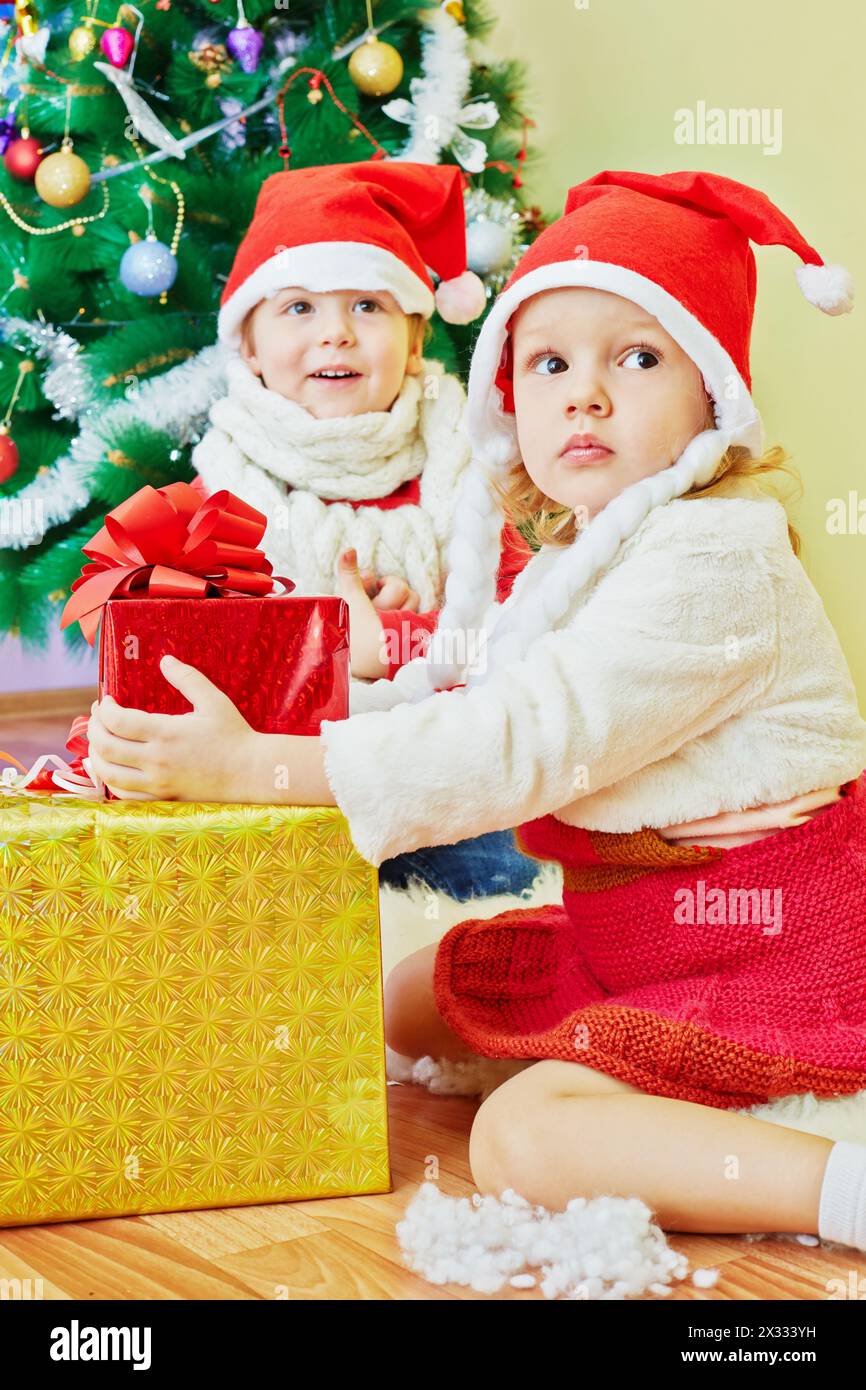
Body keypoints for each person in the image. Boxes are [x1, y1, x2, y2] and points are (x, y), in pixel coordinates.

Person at [87, 169, 866, 1251]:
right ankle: (611, 1059)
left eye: (634, 357)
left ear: (713, 395)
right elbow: (484, 681)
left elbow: (521, 738)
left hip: (763, 947)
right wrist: (374, 660)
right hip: (633, 933)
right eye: (549, 364)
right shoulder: (585, 547)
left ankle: (836, 1185)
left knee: (521, 1139)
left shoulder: (714, 555)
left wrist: (251, 766)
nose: (582, 395)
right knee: (408, 994)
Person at [192, 158, 540, 902]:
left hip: (439, 776)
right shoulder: (219, 490)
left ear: (415, 340)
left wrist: (405, 642)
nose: (336, 336)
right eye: (298, 309)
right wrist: (332, 651)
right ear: (246, 347)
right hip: (274, 776)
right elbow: (194, 654)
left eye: (367, 307)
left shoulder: (471, 469)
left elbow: (526, 634)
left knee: (507, 866)